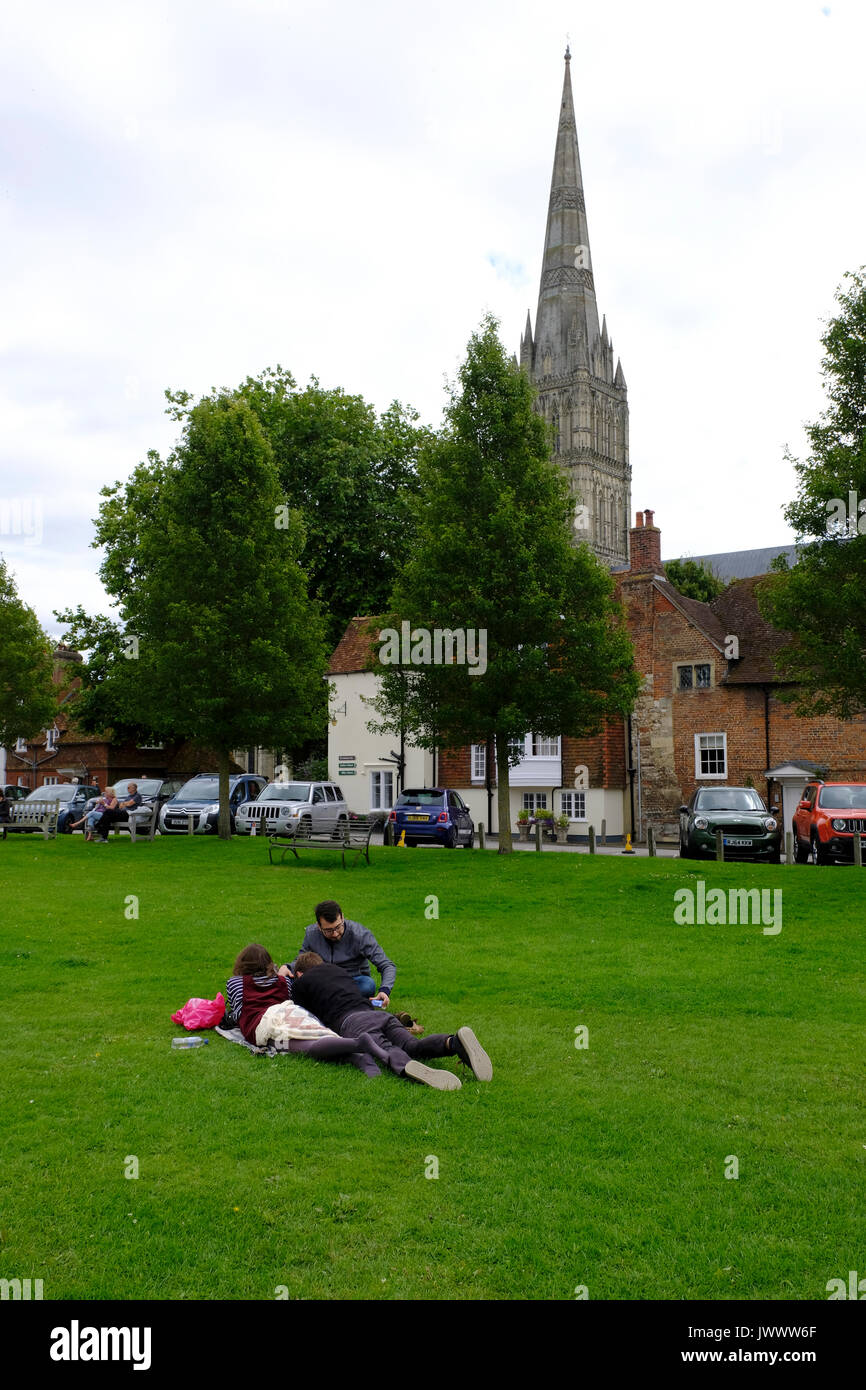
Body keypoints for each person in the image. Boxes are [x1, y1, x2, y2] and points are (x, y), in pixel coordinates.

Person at [291, 952, 492, 1091]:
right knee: (413, 1044)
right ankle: (453, 1042)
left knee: (385, 1047)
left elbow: (302, 1014)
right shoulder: (338, 971)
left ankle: (407, 1066)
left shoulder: (301, 983)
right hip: (378, 1015)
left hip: (353, 1022)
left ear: (299, 973)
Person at [225, 944, 390, 1074]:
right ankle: (357, 1057)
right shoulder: (284, 981)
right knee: (319, 1033)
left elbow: (238, 1014)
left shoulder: (235, 983)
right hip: (293, 1012)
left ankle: (358, 1043)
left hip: (266, 1022)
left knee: (304, 1046)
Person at [292, 900, 396, 1004]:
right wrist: (287, 967)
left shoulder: (360, 935)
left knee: (367, 985)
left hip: (352, 981)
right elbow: (301, 961)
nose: (335, 934)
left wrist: (385, 990)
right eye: (328, 930)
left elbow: (386, 965)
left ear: (342, 917)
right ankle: (342, 1001)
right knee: (293, 982)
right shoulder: (311, 934)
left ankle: (325, 1000)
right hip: (323, 981)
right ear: (319, 926)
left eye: (338, 927)